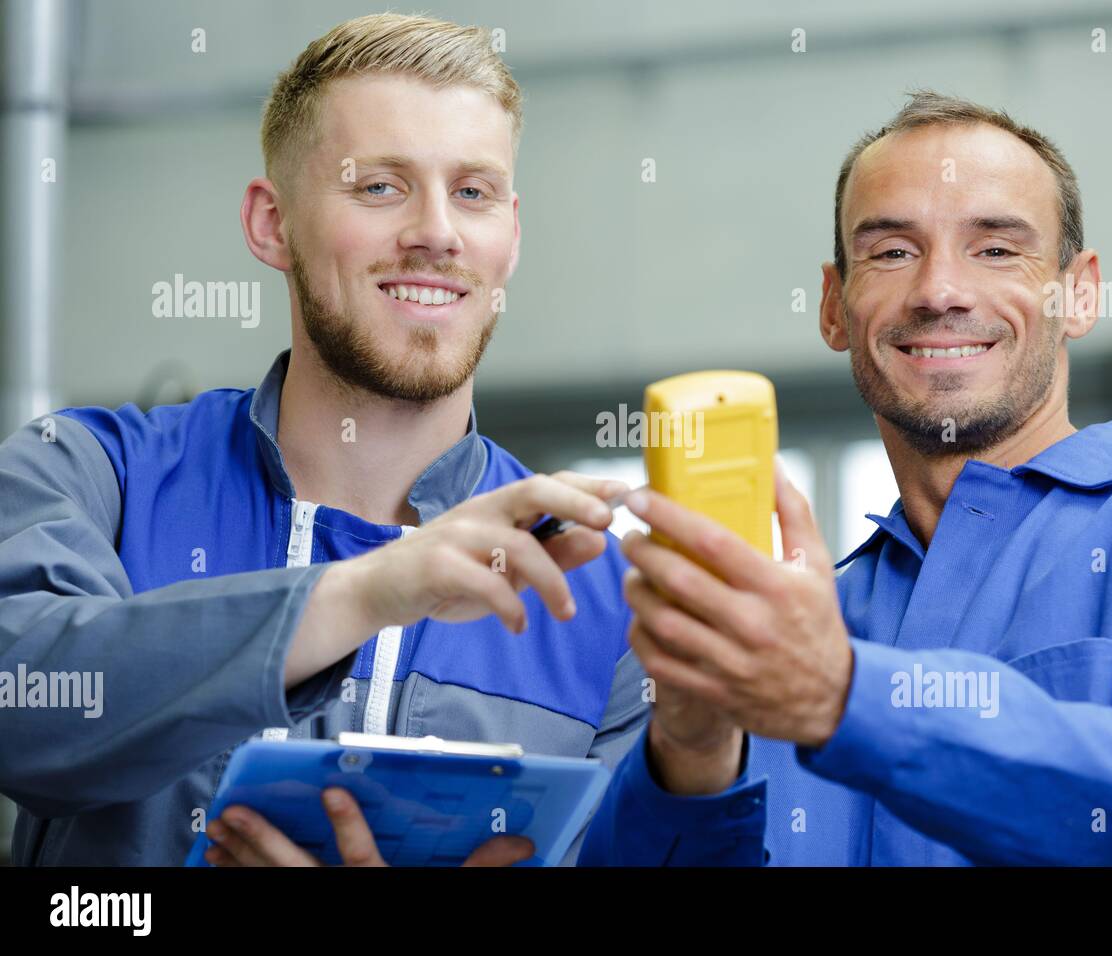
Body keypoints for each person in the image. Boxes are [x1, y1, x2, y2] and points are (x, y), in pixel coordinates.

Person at [576, 91, 1112, 866]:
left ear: (1079, 292)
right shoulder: (792, 629)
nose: (938, 291)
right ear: (833, 306)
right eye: (892, 251)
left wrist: (844, 696)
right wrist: (692, 755)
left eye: (995, 249)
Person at [0, 13, 647, 867]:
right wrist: (369, 591)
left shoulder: (604, 601)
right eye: (380, 187)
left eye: (474, 192)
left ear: (511, 238)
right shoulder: (90, 473)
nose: (436, 232)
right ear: (272, 224)